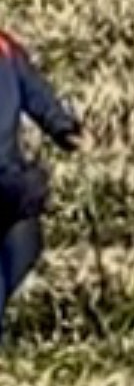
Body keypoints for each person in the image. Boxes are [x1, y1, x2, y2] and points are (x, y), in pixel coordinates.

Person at [0, 26, 81, 344]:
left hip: (12, 183)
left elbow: (37, 93)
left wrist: (64, 128)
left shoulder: (6, 49)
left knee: (25, 248)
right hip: (10, 182)